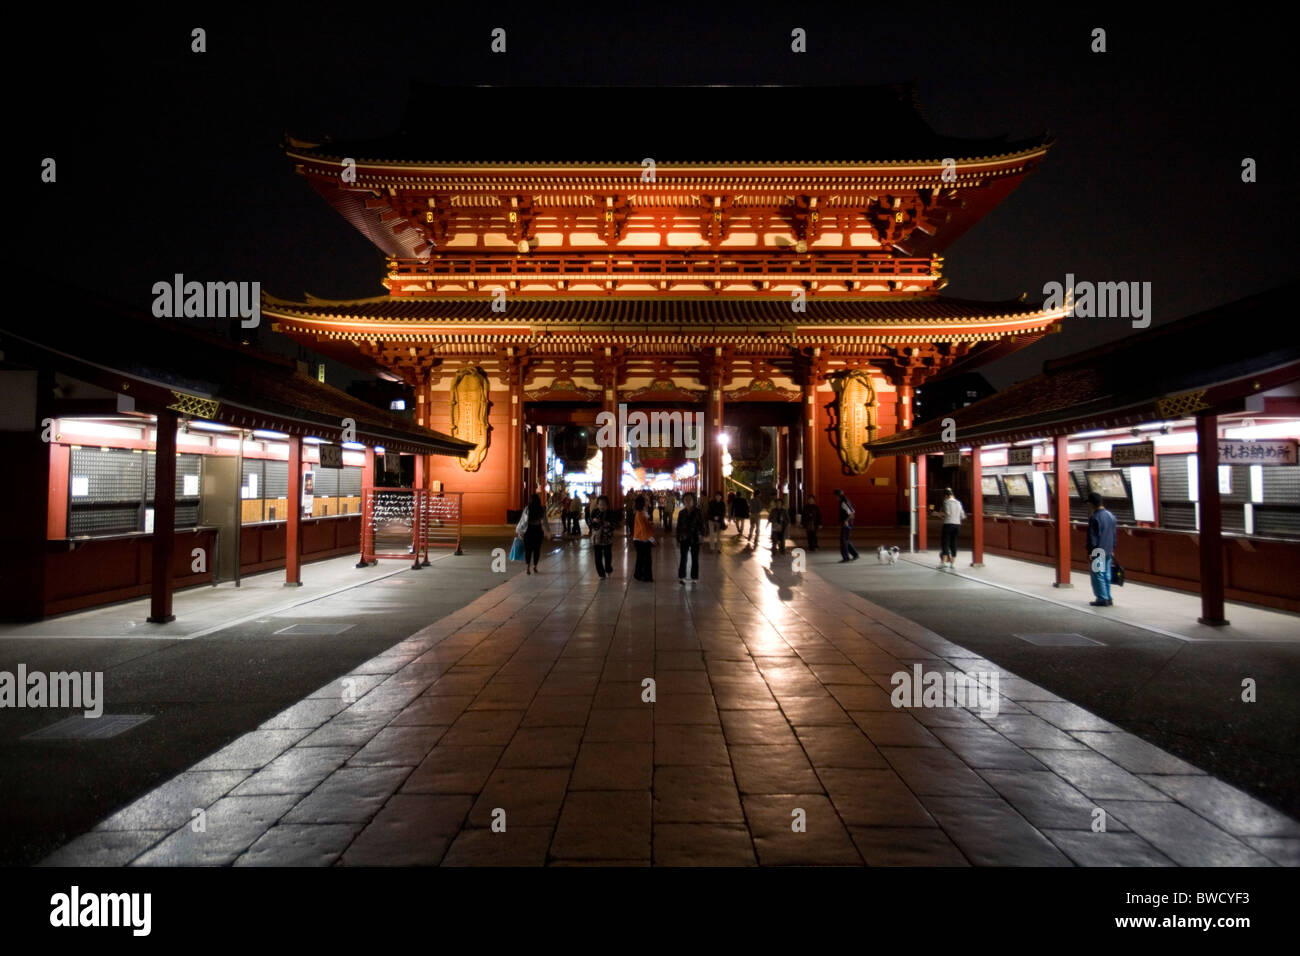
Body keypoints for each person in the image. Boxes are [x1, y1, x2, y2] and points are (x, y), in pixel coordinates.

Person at [1086, 492, 1117, 607]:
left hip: (1098, 550)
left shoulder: (1095, 517)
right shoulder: (1111, 515)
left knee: (1098, 574)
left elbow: (1092, 537)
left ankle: (1102, 598)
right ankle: (1108, 597)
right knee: (1107, 574)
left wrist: (1091, 551)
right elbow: (1114, 534)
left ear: (1092, 504)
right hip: (1109, 550)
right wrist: (1113, 547)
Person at [675, 492, 704, 582]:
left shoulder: (698, 512)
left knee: (695, 558)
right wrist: (677, 538)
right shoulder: (681, 513)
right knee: (683, 557)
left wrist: (702, 535)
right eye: (686, 500)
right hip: (684, 537)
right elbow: (678, 526)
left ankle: (694, 577)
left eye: (689, 499)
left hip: (695, 537)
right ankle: (682, 576)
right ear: (683, 501)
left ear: (693, 501)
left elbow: (702, 525)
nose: (687, 501)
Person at [939, 487, 966, 570]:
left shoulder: (946, 502)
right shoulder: (959, 503)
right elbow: (963, 516)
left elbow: (947, 513)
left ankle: (943, 563)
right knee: (954, 543)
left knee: (945, 543)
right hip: (957, 525)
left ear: (946, 495)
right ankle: (952, 564)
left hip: (948, 524)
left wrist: (939, 514)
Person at [523, 493, 549, 574]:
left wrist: (521, 531)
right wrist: (547, 531)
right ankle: (535, 566)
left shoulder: (527, 508)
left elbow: (523, 520)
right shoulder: (541, 509)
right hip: (537, 530)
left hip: (528, 530)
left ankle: (527, 567)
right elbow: (545, 521)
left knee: (528, 549)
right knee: (536, 549)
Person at [589, 494, 615, 579]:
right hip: (597, 538)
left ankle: (608, 569)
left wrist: (607, 524)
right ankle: (601, 574)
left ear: (607, 505)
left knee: (607, 555)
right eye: (600, 504)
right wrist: (594, 521)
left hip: (607, 538)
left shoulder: (611, 513)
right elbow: (590, 523)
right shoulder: (595, 512)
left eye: (604, 504)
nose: (602, 506)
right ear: (597, 504)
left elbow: (613, 525)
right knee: (597, 556)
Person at [632, 494, 655, 582]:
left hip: (642, 539)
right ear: (642, 503)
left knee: (641, 558)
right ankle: (646, 576)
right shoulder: (640, 514)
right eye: (646, 500)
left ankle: (639, 575)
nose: (648, 501)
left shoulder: (642, 513)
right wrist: (652, 539)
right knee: (646, 559)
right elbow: (644, 529)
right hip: (642, 540)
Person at [835, 488, 859, 562]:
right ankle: (855, 554)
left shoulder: (843, 502)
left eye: (836, 496)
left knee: (843, 540)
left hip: (847, 523)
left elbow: (851, 512)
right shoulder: (846, 500)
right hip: (848, 522)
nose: (835, 498)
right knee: (846, 539)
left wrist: (846, 521)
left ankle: (846, 557)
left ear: (838, 496)